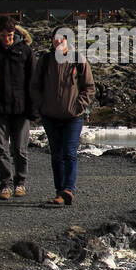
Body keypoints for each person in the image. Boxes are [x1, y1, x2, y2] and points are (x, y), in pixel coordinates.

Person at [32, 28, 95, 205]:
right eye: (55, 39)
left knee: (69, 153)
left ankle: (69, 189)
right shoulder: (45, 61)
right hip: (50, 116)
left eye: (62, 39)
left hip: (73, 117)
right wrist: (41, 106)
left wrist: (78, 105)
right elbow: (35, 86)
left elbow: (89, 87)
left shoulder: (78, 60)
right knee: (56, 155)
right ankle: (60, 191)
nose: (58, 42)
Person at [0, 15, 37, 199]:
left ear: (14, 32)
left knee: (19, 149)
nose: (6, 39)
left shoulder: (25, 51)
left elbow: (33, 81)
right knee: (0, 148)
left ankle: (20, 182)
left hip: (21, 109)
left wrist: (33, 109)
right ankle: (5, 184)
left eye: (9, 35)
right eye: (2, 35)